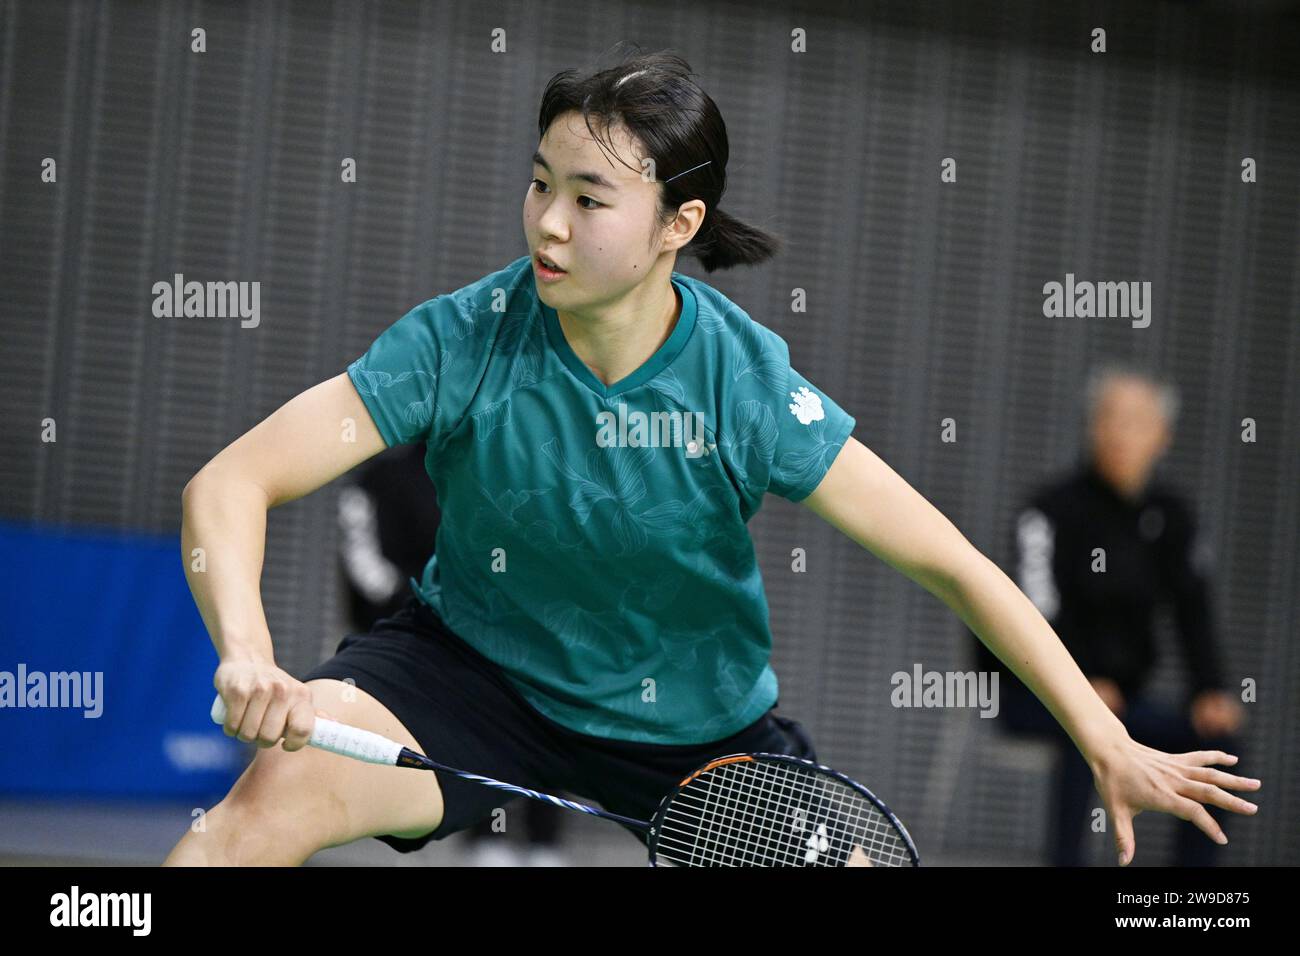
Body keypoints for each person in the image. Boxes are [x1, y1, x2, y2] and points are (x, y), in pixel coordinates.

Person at [163, 45, 1260, 867]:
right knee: (255, 812)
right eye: (540, 181)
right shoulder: (464, 336)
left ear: (677, 222)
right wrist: (248, 654)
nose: (547, 223)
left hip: (695, 734)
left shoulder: (742, 383)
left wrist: (1105, 737)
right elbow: (230, 481)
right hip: (468, 676)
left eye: (590, 199)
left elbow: (958, 567)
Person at [982, 364, 1246, 865]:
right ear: (1091, 426)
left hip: (1124, 699)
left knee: (1218, 739)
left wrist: (1210, 688)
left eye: (1136, 422)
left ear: (1162, 437)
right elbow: (1034, 612)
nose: (1120, 434)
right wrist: (1078, 682)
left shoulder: (1171, 517)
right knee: (1087, 722)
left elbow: (1194, 609)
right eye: (1110, 419)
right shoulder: (1049, 510)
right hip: (1031, 690)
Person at [337, 444, 567, 865]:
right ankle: (480, 839)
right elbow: (367, 565)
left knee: (542, 712)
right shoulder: (381, 478)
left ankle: (543, 844)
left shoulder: (505, 470)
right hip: (409, 636)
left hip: (502, 629)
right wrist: (416, 606)